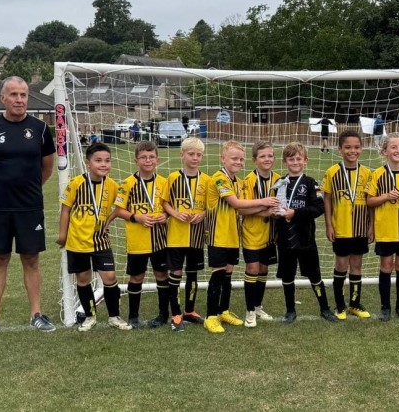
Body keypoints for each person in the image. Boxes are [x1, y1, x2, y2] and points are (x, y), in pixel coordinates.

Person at [0, 76, 57, 338]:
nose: (19, 99)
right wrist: (4, 188)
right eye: (13, 94)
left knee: (31, 259)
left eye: (23, 95)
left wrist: (27, 189)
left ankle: (36, 314)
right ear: (3, 98)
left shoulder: (40, 129)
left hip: (30, 208)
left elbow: (47, 168)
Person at [203, 141, 277, 333]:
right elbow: (236, 204)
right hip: (218, 235)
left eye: (241, 159)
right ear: (223, 159)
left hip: (233, 235)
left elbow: (242, 209)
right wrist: (265, 202)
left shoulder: (236, 181)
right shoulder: (219, 178)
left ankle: (223, 311)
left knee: (228, 275)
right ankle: (211, 317)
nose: (238, 162)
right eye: (234, 158)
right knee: (218, 275)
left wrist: (264, 210)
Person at [56, 143, 131, 331]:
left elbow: (120, 208)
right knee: (83, 279)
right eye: (98, 160)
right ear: (88, 163)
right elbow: (65, 210)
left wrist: (108, 221)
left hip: (100, 241)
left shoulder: (112, 186)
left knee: (110, 276)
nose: (103, 164)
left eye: (107, 161)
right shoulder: (76, 183)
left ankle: (114, 316)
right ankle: (90, 316)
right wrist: (62, 235)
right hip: (77, 241)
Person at [273, 142, 340, 324]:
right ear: (285, 161)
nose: (295, 162)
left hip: (305, 239)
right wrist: (274, 213)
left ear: (305, 161)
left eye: (298, 159)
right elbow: (274, 206)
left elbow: (318, 208)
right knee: (287, 276)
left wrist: (295, 213)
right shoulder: (279, 183)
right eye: (291, 159)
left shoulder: (310, 183)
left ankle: (325, 309)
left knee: (314, 275)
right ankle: (290, 311)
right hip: (285, 239)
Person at [109, 141, 173, 329]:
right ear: (136, 160)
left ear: (157, 160)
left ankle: (163, 315)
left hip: (160, 240)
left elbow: (170, 207)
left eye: (151, 157)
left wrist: (166, 215)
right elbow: (119, 210)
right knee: (137, 277)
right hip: (137, 241)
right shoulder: (127, 184)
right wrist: (137, 217)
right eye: (143, 157)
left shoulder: (164, 182)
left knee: (162, 274)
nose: (148, 160)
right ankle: (133, 317)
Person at [365, 133, 399, 321]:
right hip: (385, 229)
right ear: (384, 151)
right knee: (386, 266)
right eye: (393, 147)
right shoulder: (377, 174)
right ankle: (385, 307)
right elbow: (369, 201)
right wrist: (386, 196)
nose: (398, 150)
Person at [322, 130, 373, 320]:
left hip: (360, 228)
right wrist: (329, 225)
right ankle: (340, 305)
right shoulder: (332, 172)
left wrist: (372, 226)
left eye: (357, 147)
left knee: (357, 265)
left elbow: (370, 202)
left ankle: (354, 304)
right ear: (340, 149)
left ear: (362, 148)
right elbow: (327, 199)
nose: (353, 151)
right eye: (348, 147)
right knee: (341, 265)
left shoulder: (367, 173)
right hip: (341, 227)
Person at [162, 137, 209, 327]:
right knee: (176, 272)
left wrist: (202, 214)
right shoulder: (173, 178)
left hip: (196, 236)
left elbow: (210, 206)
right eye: (191, 154)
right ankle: (175, 313)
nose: (195, 158)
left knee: (192, 273)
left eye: (199, 155)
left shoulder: (206, 180)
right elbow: (165, 202)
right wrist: (175, 214)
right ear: (182, 155)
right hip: (176, 236)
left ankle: (189, 310)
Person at [240, 141, 281, 327]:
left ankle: (257, 307)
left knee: (264, 269)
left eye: (270, 155)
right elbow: (242, 209)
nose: (267, 159)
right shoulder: (248, 181)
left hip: (271, 234)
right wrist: (264, 212)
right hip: (252, 233)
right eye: (262, 156)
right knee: (252, 269)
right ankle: (249, 311)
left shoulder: (279, 180)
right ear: (254, 160)